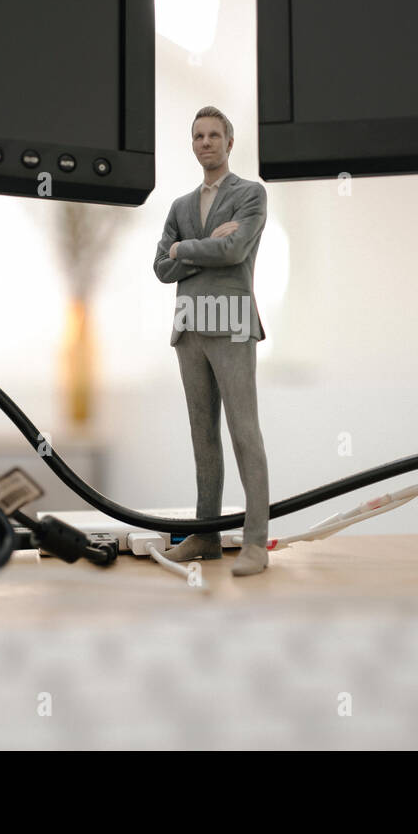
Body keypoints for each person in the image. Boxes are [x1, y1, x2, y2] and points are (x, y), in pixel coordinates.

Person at [151, 106, 270, 576]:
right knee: (203, 437)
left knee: (244, 433)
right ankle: (206, 536)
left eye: (214, 135)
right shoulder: (180, 206)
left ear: (229, 142)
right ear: (193, 143)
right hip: (190, 328)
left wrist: (185, 249)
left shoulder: (250, 195)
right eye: (198, 135)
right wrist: (192, 249)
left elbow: (235, 249)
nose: (206, 142)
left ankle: (257, 543)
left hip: (233, 321)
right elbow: (162, 267)